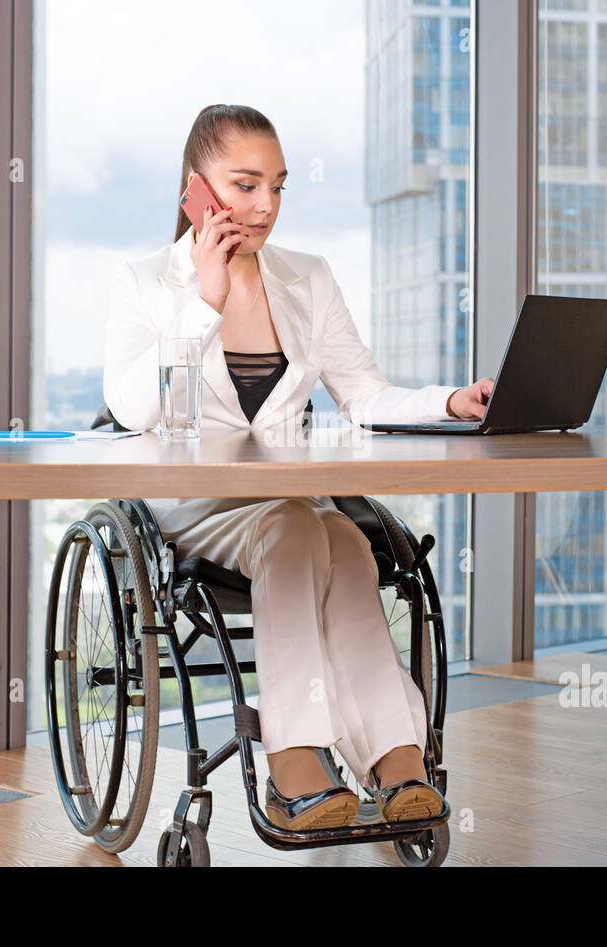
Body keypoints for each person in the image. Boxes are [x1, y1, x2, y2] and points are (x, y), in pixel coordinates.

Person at [104, 104, 493, 831]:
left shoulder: (307, 278)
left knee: (342, 537)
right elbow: (133, 410)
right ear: (197, 189)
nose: (264, 207)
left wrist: (451, 400)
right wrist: (205, 298)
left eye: (277, 188)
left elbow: (364, 394)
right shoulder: (146, 281)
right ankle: (294, 757)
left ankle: (394, 756)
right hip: (197, 504)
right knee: (299, 528)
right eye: (245, 185)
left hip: (289, 504)